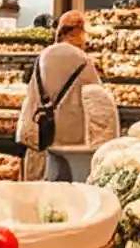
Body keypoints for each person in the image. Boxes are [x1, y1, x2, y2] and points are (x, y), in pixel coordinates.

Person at [17, 10, 103, 181]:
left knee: (42, 186)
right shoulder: (83, 60)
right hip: (73, 141)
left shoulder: (44, 55)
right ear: (78, 31)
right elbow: (98, 99)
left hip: (42, 134)